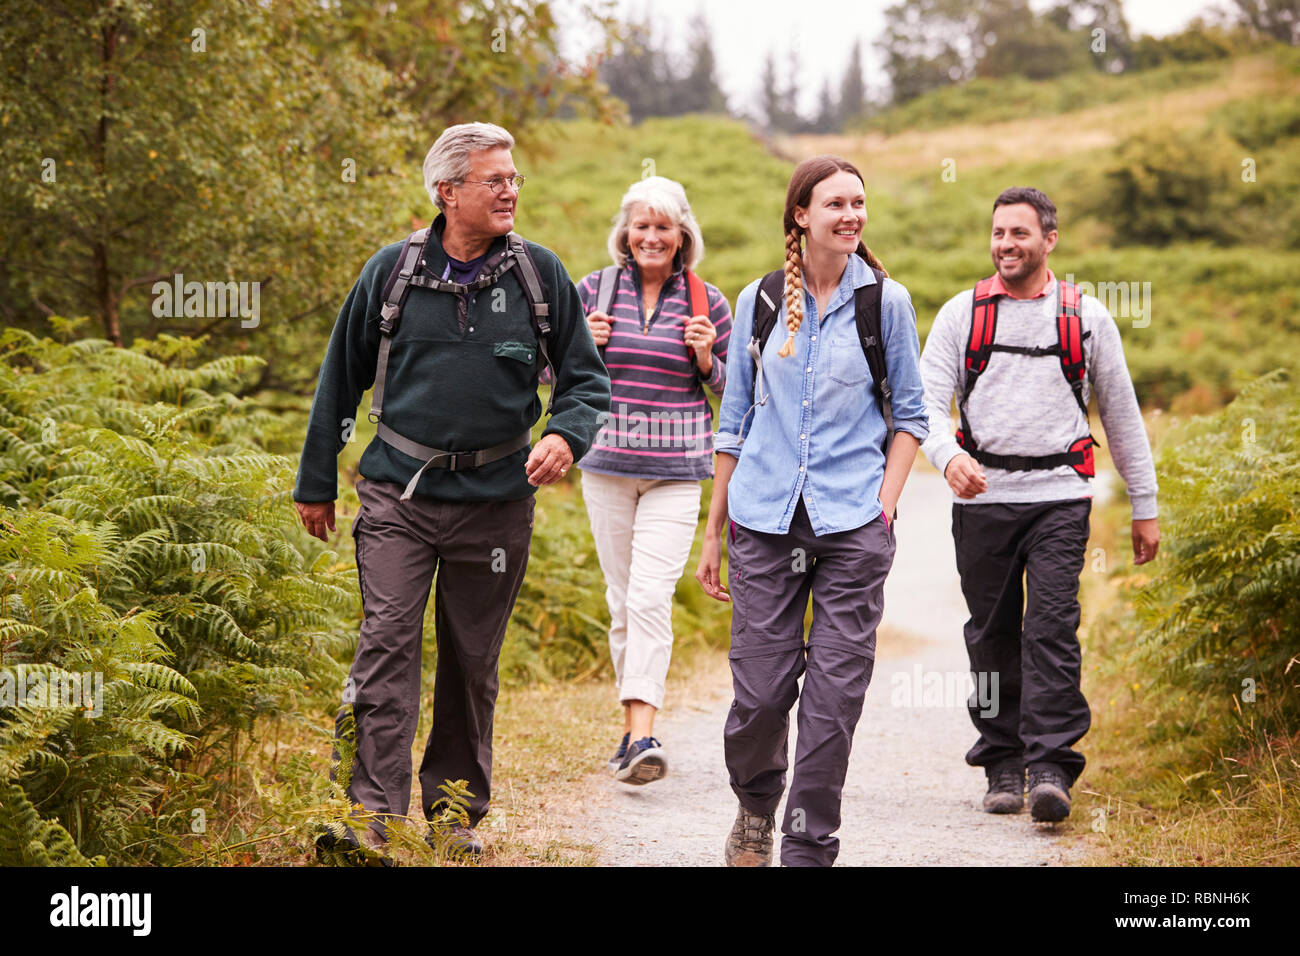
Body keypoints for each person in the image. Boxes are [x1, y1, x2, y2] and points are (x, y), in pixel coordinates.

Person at [293, 122, 609, 860]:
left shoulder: (539, 275)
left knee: (472, 660)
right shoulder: (391, 272)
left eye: (513, 178)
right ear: (448, 192)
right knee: (387, 644)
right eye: (493, 180)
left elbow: (585, 378)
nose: (509, 191)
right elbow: (340, 377)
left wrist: (567, 434)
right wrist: (316, 483)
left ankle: (454, 817)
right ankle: (371, 814)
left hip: (499, 502)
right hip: (397, 499)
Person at [697, 156, 928, 866]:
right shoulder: (761, 301)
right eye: (836, 204)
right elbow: (733, 417)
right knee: (761, 696)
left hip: (853, 525)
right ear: (801, 215)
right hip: (763, 524)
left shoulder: (884, 302)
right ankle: (756, 807)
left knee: (832, 702)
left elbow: (911, 417)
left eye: (859, 203)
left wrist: (883, 512)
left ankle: (807, 846)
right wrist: (715, 530)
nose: (852, 215)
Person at [919, 186, 1159, 823]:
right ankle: (1002, 763)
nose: (1006, 245)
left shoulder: (1086, 318)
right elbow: (923, 406)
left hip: (1060, 497)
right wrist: (949, 458)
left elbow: (1123, 416)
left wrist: (1145, 504)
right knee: (991, 636)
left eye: (1019, 234)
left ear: (1049, 240)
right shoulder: (961, 315)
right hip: (983, 500)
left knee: (1050, 627)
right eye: (998, 233)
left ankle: (1050, 766)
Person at [575, 176, 732, 785]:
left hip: (675, 472)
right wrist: (581, 348)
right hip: (607, 469)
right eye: (642, 225)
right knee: (621, 603)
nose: (651, 236)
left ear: (682, 234)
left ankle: (643, 736)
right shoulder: (594, 290)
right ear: (626, 232)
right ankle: (630, 733)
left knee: (647, 598)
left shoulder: (706, 300)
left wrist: (706, 358)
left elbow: (734, 394)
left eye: (663, 226)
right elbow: (545, 374)